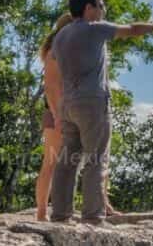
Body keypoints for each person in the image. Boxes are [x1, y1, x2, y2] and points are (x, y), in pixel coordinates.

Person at [49, 0, 153, 225]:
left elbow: (55, 65)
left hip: (68, 103)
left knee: (67, 160)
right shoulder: (95, 29)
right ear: (89, 8)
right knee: (97, 158)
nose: (103, 10)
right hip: (92, 101)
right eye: (101, 5)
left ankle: (60, 215)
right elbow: (133, 30)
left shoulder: (60, 36)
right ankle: (93, 217)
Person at [34, 13, 121, 221]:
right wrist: (56, 115)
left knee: (98, 157)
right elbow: (50, 87)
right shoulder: (56, 50)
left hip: (77, 110)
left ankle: (104, 204)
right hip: (59, 113)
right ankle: (41, 212)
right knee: (52, 163)